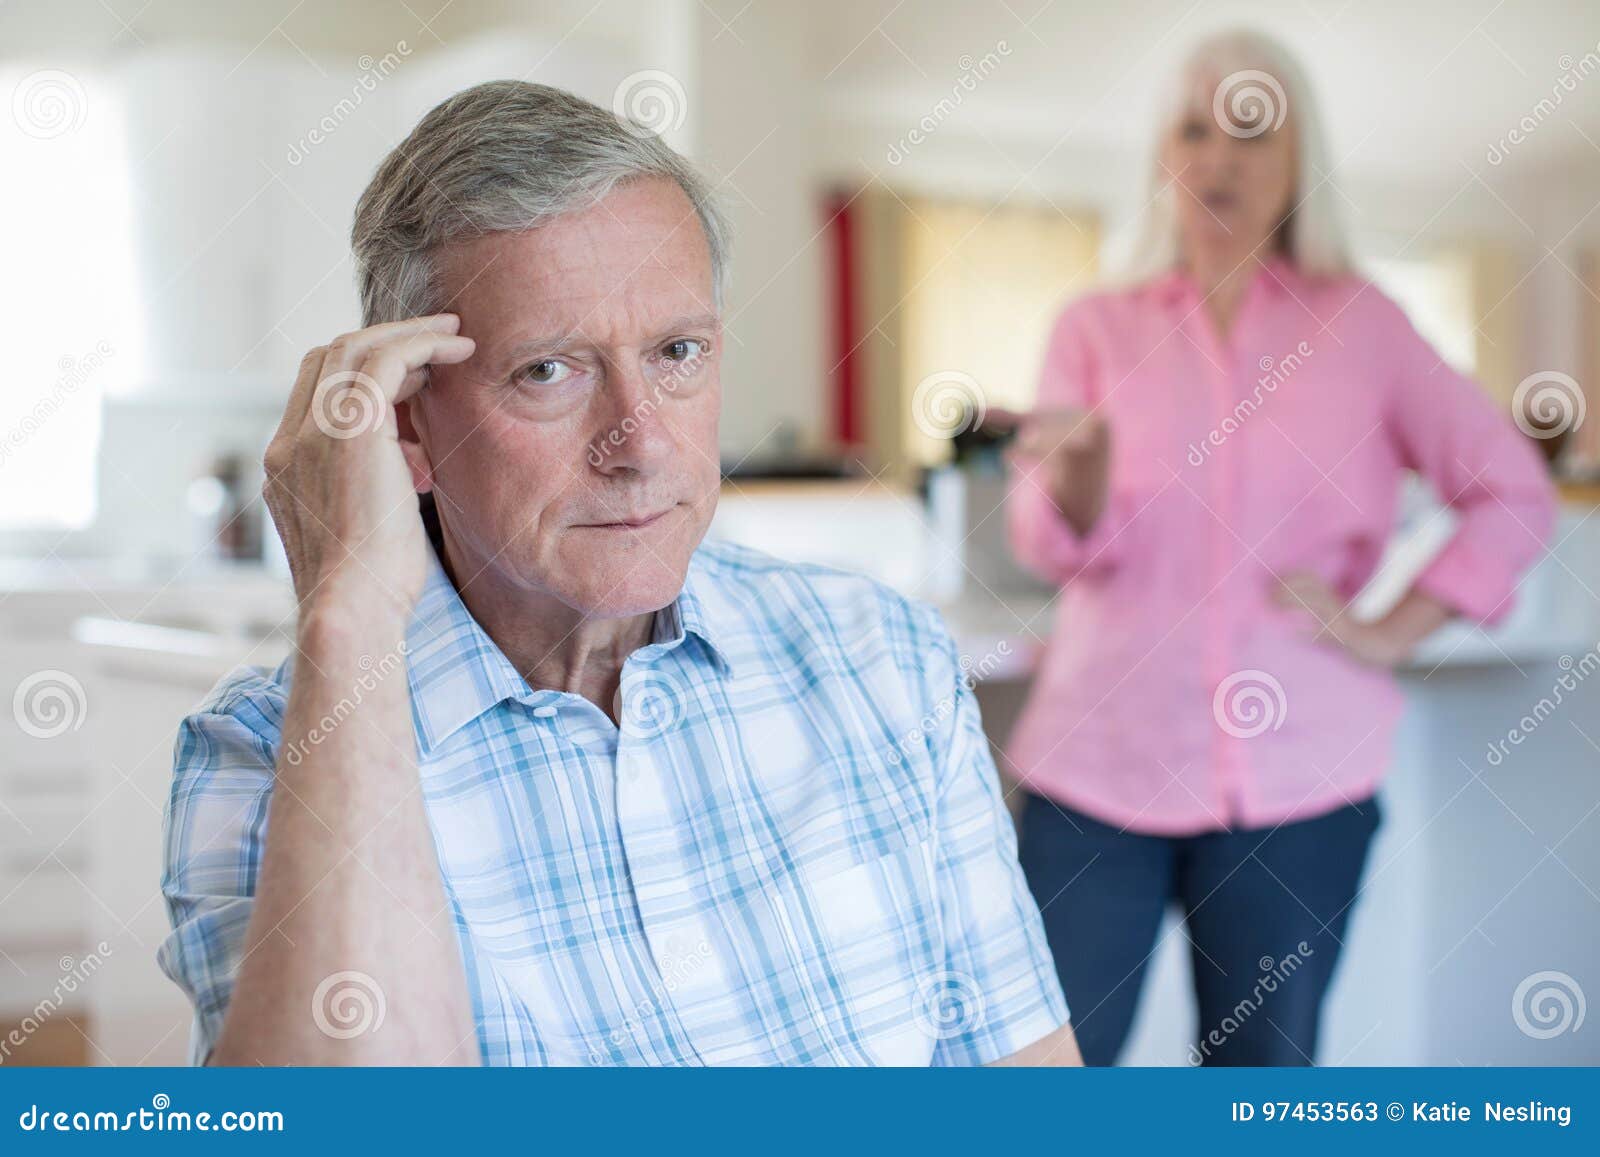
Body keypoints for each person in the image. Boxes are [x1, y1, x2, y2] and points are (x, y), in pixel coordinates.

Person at [157, 80, 1079, 1068]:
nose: (639, 442)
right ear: (407, 421)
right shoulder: (265, 757)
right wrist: (345, 619)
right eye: (550, 370)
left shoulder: (884, 658)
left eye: (678, 351)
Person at [1003, 30, 1556, 1066]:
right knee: (1043, 1080)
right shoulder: (1095, 326)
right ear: (1159, 158)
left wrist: (1391, 628)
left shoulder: (1367, 328)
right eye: (1193, 129)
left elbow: (1511, 494)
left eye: (1253, 131)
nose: (1219, 159)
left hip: (1303, 775)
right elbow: (1045, 540)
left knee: (1262, 1090)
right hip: (1095, 766)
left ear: (1300, 159)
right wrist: (1072, 487)